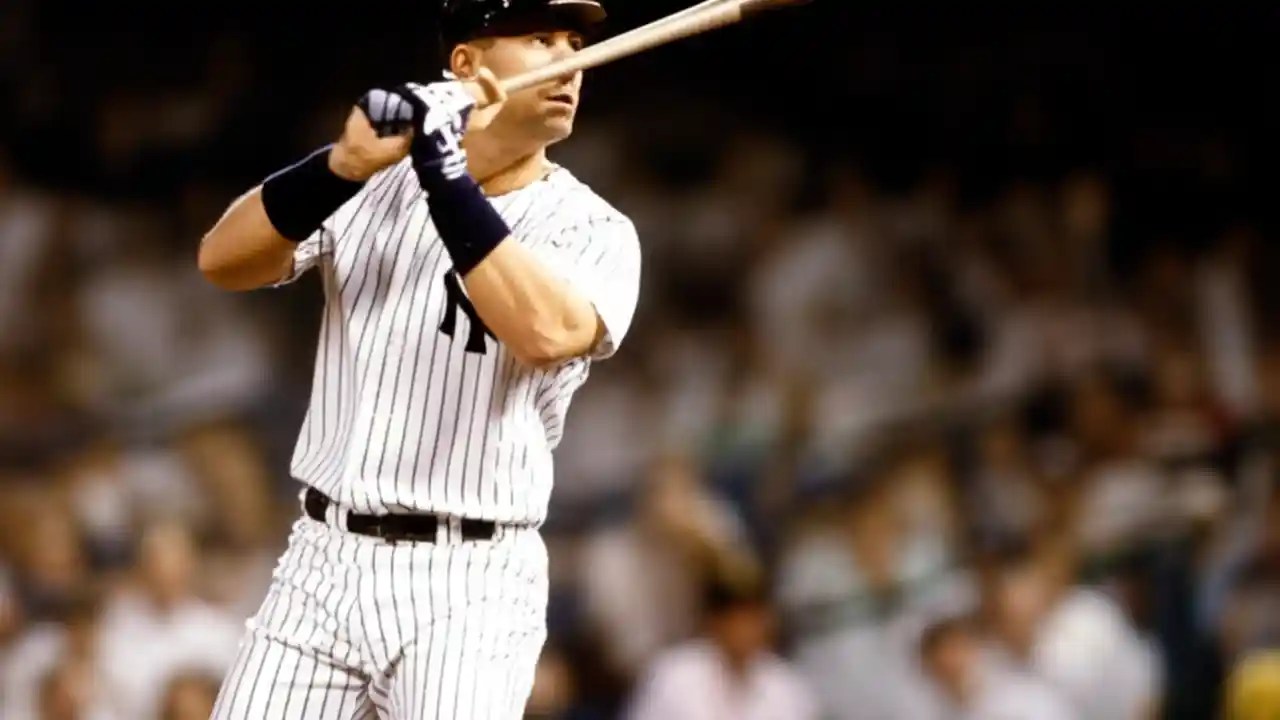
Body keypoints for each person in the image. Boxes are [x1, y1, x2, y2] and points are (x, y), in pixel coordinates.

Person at [196, 0, 642, 717]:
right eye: (537, 39)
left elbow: (545, 332)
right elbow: (221, 259)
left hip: (471, 579)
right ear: (466, 64)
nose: (571, 61)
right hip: (324, 557)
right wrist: (340, 166)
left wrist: (447, 178)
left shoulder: (593, 226)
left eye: (572, 41)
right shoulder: (375, 183)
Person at [624, 567, 819, 720]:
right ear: (715, 623)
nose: (747, 630)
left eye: (755, 618)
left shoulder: (787, 686)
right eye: (737, 619)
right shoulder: (673, 675)